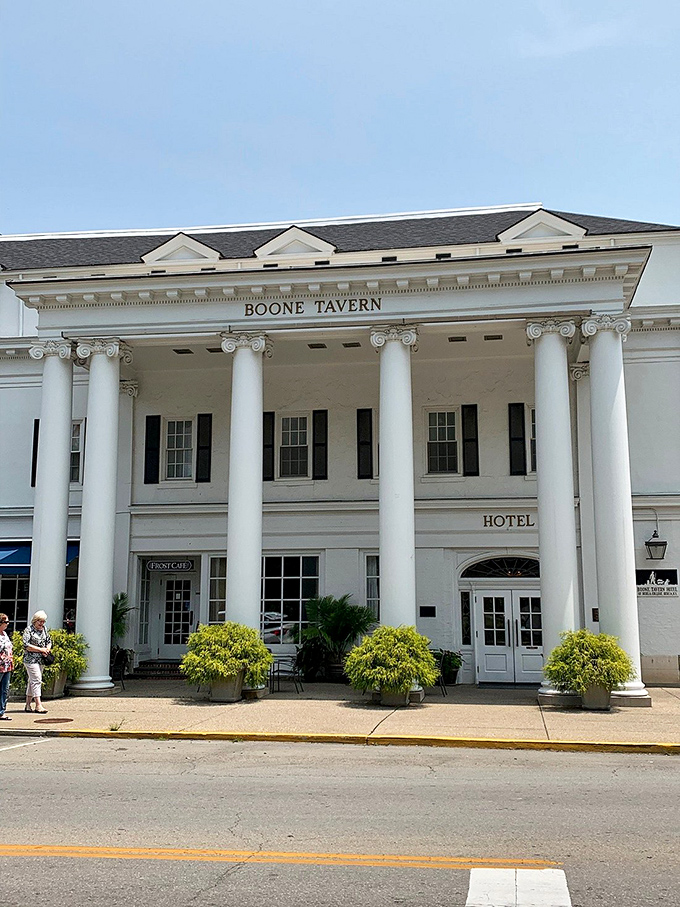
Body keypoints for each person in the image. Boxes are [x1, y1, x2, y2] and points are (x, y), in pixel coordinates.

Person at [22, 611, 52, 714]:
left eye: (43, 621)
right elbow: (26, 645)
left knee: (32, 681)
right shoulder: (28, 630)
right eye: (40, 621)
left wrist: (47, 649)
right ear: (35, 620)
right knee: (37, 680)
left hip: (41, 659)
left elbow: (49, 641)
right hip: (30, 660)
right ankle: (38, 705)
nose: (42, 623)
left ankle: (27, 705)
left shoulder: (44, 629)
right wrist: (41, 649)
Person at [0, 614, 13, 720]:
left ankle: (1, 711)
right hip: (0, 665)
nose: (7, 624)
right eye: (6, 622)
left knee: (5, 689)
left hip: (7, 666)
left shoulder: (4, 634)